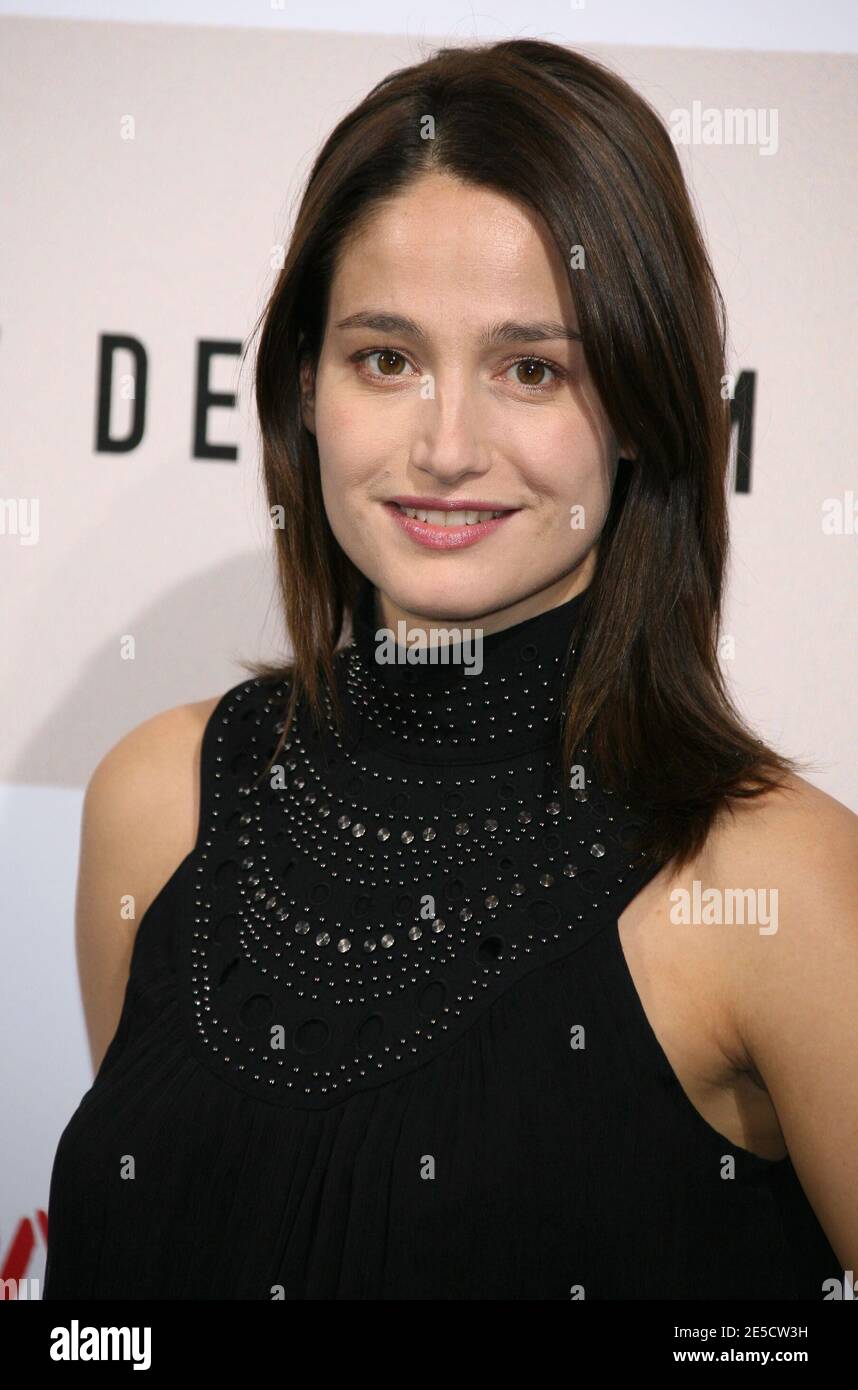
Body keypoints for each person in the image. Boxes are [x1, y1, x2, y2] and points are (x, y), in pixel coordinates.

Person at [44, 37, 856, 1300]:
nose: (447, 444)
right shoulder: (160, 800)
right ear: (304, 387)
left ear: (643, 404)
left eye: (533, 368)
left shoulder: (770, 881)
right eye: (387, 358)